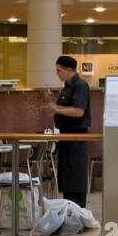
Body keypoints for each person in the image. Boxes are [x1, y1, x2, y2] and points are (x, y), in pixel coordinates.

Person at [42, 56, 91, 208]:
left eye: (59, 70)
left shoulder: (80, 85)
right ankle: (69, 211)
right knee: (67, 178)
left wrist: (55, 108)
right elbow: (63, 110)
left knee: (75, 176)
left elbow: (78, 111)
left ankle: (77, 212)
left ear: (69, 69)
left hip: (76, 138)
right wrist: (52, 102)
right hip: (65, 137)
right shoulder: (67, 87)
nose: (57, 74)